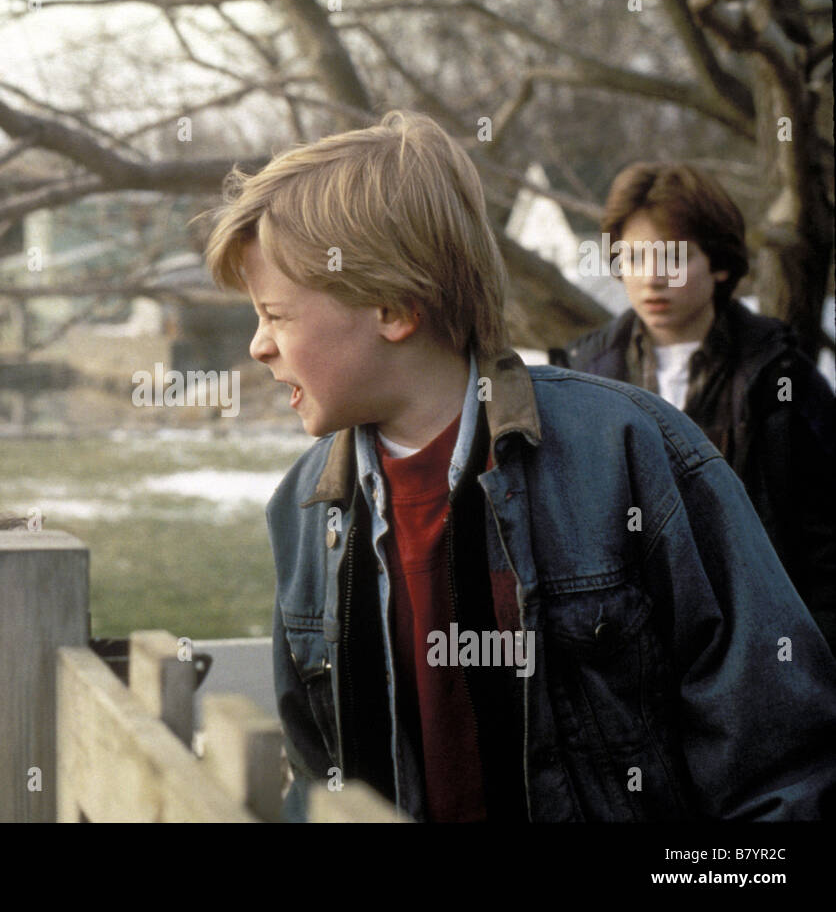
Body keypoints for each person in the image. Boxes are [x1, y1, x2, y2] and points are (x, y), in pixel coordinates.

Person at [201, 111, 836, 822]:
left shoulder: (632, 451)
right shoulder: (302, 509)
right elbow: (315, 781)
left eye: (276, 314)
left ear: (390, 306)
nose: (258, 346)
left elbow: (784, 767)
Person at [548, 162, 835, 651]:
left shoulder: (780, 377)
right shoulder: (582, 378)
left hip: (757, 647)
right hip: (630, 658)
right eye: (635, 258)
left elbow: (827, 543)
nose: (652, 278)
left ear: (719, 264)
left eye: (672, 258)